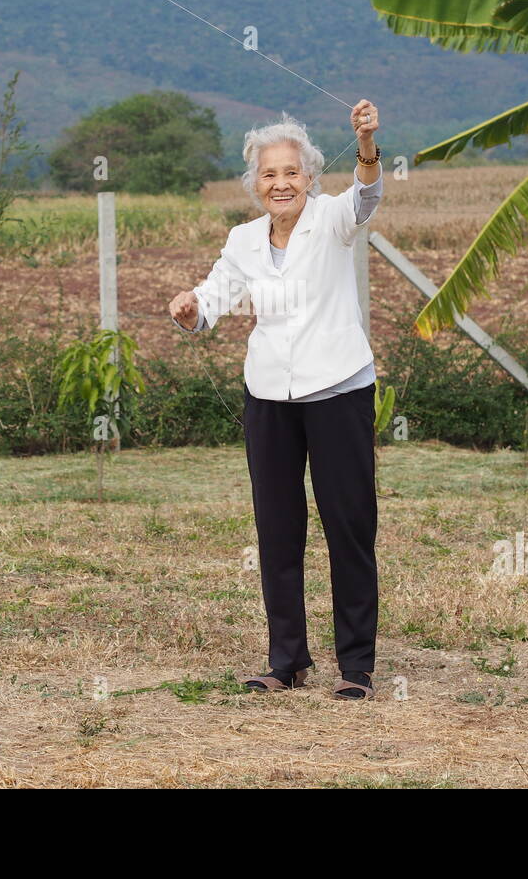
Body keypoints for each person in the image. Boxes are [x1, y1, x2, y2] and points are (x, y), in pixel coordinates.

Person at [168, 100, 383, 700]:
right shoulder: (242, 240)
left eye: (291, 172)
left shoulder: (334, 218)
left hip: (338, 389)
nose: (281, 183)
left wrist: (366, 142)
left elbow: (367, 196)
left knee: (348, 524)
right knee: (278, 529)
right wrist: (190, 309)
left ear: (311, 177)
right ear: (254, 184)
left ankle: (356, 666)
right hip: (269, 396)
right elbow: (212, 300)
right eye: (269, 174)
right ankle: (286, 660)